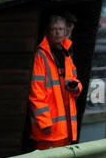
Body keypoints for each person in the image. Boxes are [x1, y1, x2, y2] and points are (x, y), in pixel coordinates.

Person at [29, 11, 82, 150]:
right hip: (48, 130)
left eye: (60, 29)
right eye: (54, 29)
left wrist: (75, 87)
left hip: (65, 129)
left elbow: (76, 80)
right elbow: (36, 93)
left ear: (65, 31)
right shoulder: (40, 56)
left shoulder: (66, 54)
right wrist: (44, 123)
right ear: (47, 32)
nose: (57, 33)